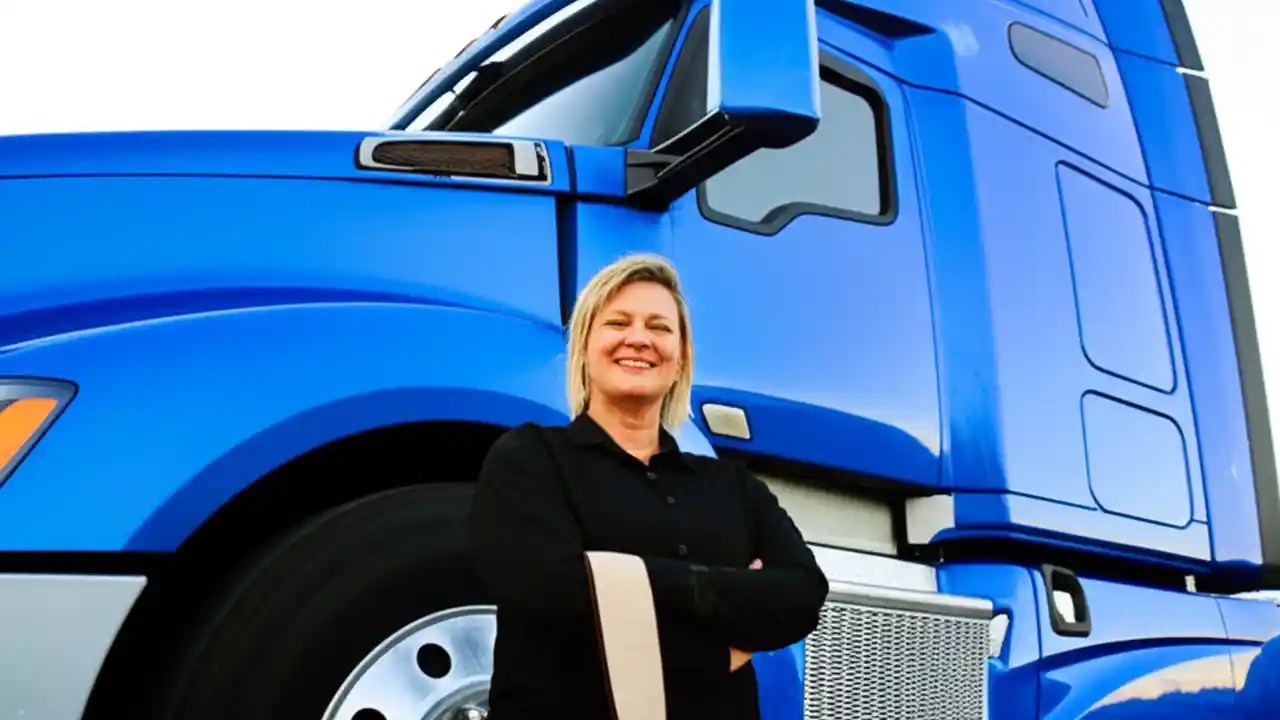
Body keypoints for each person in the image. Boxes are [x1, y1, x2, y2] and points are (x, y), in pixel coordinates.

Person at [468, 253, 829, 719]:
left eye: (659, 328)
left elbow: (803, 592)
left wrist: (614, 579)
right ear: (585, 349)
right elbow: (546, 592)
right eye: (618, 322)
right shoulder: (529, 458)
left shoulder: (731, 483)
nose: (638, 338)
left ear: (680, 360)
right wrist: (721, 633)